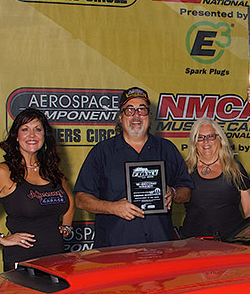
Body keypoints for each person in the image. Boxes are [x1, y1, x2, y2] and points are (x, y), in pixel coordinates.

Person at [74, 87, 193, 247]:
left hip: (160, 245)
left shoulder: (167, 149)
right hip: (115, 248)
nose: (136, 115)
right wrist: (112, 207)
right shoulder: (102, 152)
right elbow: (81, 199)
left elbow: (186, 192)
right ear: (121, 117)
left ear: (149, 117)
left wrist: (173, 193)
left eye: (142, 110)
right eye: (130, 110)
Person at [0, 107, 74, 271]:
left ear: (45, 136)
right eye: (25, 129)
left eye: (37, 129)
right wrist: (0, 238)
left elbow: (70, 200)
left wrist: (66, 226)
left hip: (56, 259)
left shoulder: (52, 170)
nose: (32, 135)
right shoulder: (4, 172)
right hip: (22, 262)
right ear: (16, 137)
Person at [180, 118, 250, 238]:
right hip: (194, 245)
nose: (206, 141)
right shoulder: (185, 169)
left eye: (210, 136)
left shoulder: (235, 168)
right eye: (200, 137)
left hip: (231, 243)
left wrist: (248, 234)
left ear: (220, 139)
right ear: (194, 142)